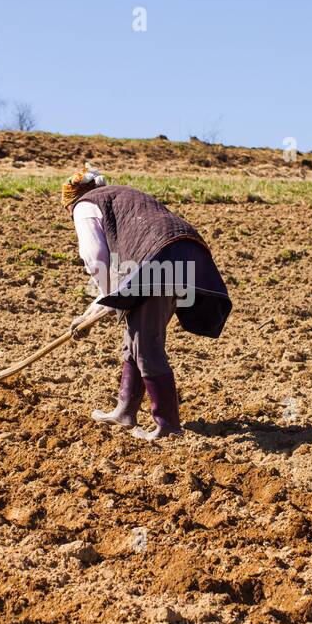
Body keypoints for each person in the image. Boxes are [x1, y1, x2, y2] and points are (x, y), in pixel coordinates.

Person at [63, 169, 231, 440]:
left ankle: (168, 426)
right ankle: (125, 412)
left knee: (147, 345)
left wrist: (110, 299)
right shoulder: (120, 195)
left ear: (72, 201)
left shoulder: (85, 205)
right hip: (184, 255)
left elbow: (95, 258)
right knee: (137, 338)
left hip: (159, 259)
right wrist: (103, 304)